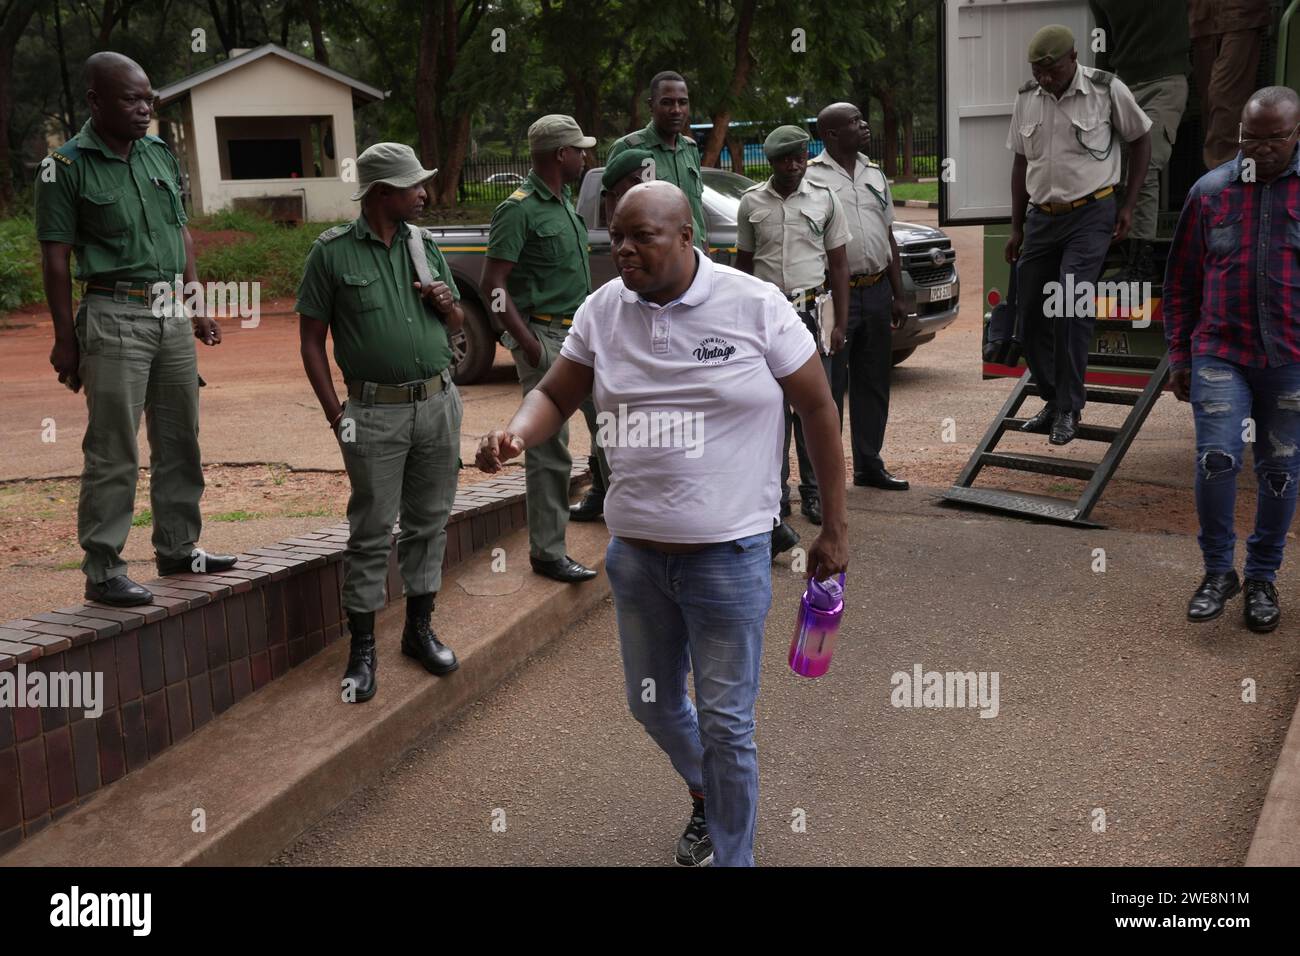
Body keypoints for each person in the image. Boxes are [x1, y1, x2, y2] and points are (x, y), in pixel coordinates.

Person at [476, 181, 849, 866]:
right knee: (651, 705)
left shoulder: (755, 307)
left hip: (728, 555)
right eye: (616, 235)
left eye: (641, 235)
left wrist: (837, 528)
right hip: (637, 556)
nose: (622, 249)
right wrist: (516, 433)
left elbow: (819, 408)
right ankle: (710, 795)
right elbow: (558, 391)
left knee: (728, 722)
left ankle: (734, 855)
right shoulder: (603, 310)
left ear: (687, 239)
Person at [35, 52, 237, 608]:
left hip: (171, 312)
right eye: (131, 98)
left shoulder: (156, 153)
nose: (145, 108)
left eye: (149, 97)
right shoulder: (65, 167)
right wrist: (64, 339)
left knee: (179, 438)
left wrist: (196, 304)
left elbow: (182, 235)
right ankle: (104, 570)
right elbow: (55, 262)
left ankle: (178, 547)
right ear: (95, 101)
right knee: (113, 448)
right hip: (113, 313)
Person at [296, 142, 464, 703]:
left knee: (429, 522)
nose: (424, 193)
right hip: (372, 413)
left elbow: (459, 319)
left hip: (438, 403)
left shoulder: (422, 244)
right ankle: (362, 649)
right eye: (414, 186)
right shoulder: (332, 254)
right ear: (381, 193)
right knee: (372, 532)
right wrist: (336, 415)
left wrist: (445, 304)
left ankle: (419, 631)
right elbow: (311, 343)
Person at [1163, 86, 1300, 634]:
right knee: (1216, 459)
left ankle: (1262, 578)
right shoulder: (1210, 192)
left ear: (1295, 135)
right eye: (1250, 139)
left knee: (1281, 470)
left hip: (1291, 357)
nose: (1259, 150)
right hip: (1220, 350)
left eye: (1273, 140)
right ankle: (1219, 573)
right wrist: (1179, 355)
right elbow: (1180, 282)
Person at [1005, 24, 1152, 445]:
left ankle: (1070, 408)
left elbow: (1141, 140)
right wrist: (1016, 226)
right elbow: (1020, 164)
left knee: (1070, 305)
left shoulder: (1107, 90)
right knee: (1030, 314)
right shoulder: (1025, 98)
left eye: (1050, 71)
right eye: (1038, 72)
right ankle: (1052, 398)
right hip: (1041, 219)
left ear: (1072, 58)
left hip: (1091, 213)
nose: (1044, 79)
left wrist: (1128, 205)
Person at [482, 115, 599, 583]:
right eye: (579, 150)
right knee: (550, 451)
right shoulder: (519, 209)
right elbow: (494, 286)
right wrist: (528, 345)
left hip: (583, 336)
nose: (585, 157)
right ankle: (548, 553)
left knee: (613, 429)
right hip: (547, 340)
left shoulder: (564, 202)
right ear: (559, 155)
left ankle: (618, 517)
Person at [736, 125, 850, 538]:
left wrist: (840, 322)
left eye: (801, 156)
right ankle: (777, 498)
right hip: (767, 315)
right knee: (770, 409)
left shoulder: (825, 199)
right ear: (772, 162)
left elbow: (839, 265)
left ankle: (815, 492)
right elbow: (743, 267)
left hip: (811, 312)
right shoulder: (751, 202)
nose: (795, 164)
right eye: (786, 158)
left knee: (815, 405)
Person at [807, 102, 910, 492]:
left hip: (878, 290)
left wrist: (899, 294)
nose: (864, 125)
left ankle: (869, 465)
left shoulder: (874, 172)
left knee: (873, 383)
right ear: (831, 134)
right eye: (853, 122)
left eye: (861, 119)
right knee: (829, 389)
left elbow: (888, 236)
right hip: (835, 296)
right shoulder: (812, 178)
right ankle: (822, 481)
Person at [568, 149, 654, 523]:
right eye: (637, 183)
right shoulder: (600, 305)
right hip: (609, 325)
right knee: (607, 411)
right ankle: (606, 491)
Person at [1089, 0, 1190, 281]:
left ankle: (1141, 264)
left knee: (1144, 168)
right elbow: (1102, 39)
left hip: (1166, 80)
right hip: (1123, 83)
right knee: (1115, 172)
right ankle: (1120, 253)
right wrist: (1100, 90)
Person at [607, 71, 709, 252]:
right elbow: (613, 216)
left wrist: (705, 257)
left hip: (693, 258)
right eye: (667, 102)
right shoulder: (628, 148)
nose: (676, 110)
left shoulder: (690, 149)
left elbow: (697, 212)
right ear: (651, 105)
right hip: (655, 262)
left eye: (682, 102)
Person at [1188, 0, 1273, 171]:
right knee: (1209, 104)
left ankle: (1225, 179)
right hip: (1201, 18)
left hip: (1240, 14)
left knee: (1224, 98)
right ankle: (1221, 177)